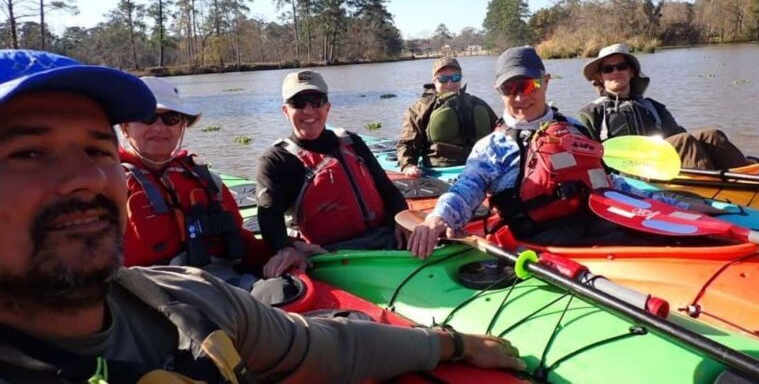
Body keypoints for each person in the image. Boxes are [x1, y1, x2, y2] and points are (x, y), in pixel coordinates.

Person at [0, 50, 525, 383]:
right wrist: (290, 248)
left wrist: (447, 342)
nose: (86, 179)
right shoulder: (276, 161)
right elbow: (270, 223)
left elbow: (320, 338)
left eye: (96, 152)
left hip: (241, 284)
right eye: (27, 154)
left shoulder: (193, 301)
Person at [407, 46, 685, 259]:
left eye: (528, 85)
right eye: (509, 88)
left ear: (546, 81)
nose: (520, 97)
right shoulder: (491, 147)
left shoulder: (574, 129)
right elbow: (466, 189)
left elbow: (609, 183)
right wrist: (438, 219)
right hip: (545, 247)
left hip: (601, 231)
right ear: (498, 91)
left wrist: (672, 204)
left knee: (685, 239)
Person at [118, 76, 271, 290]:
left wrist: (287, 249)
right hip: (150, 299)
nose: (160, 127)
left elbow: (242, 242)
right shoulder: (107, 185)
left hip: (223, 287)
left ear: (181, 126)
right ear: (125, 126)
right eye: (148, 117)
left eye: (171, 118)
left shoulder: (207, 180)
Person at [256, 70, 409, 278]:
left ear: (327, 107)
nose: (309, 110)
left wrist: (403, 219)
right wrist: (285, 248)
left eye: (316, 101)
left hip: (387, 241)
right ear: (285, 111)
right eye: (298, 103)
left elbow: (387, 190)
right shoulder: (276, 160)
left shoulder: (351, 142)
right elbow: (269, 218)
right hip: (331, 257)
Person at [577, 43, 750, 170]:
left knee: (712, 135)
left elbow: (678, 135)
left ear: (631, 72)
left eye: (621, 66)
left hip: (664, 164)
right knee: (685, 141)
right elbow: (584, 158)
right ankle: (711, 195)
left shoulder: (653, 107)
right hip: (629, 172)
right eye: (608, 69)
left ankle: (750, 179)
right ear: (600, 77)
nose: (615, 72)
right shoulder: (591, 113)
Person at [397, 57, 498, 177]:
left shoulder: (476, 103)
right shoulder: (420, 108)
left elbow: (500, 132)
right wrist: (408, 165)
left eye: (455, 78)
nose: (450, 84)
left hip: (479, 165)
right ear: (434, 81)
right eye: (443, 79)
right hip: (442, 168)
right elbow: (407, 143)